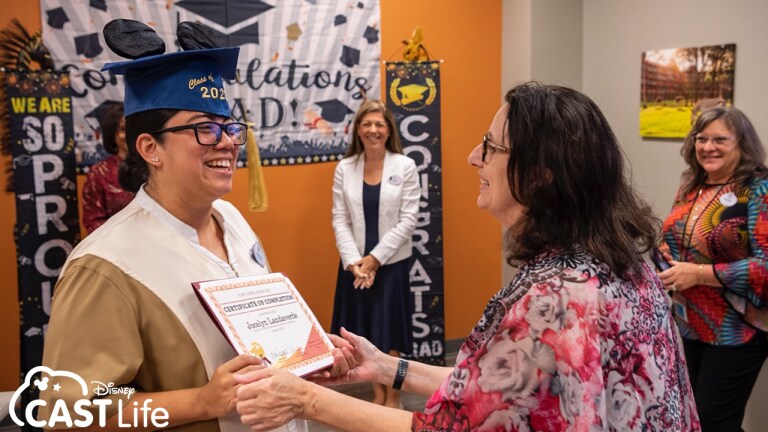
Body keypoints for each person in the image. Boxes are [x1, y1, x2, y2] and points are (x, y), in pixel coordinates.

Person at [233, 82, 700, 431]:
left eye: (491, 147)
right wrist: (387, 367)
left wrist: (303, 399)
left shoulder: (556, 299)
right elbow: (496, 385)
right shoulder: (617, 263)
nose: (474, 157)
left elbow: (452, 424)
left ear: (537, 176)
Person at [38, 20, 351, 432]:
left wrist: (305, 355)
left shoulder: (234, 223)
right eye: (205, 128)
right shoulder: (104, 266)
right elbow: (69, 410)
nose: (227, 142)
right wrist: (200, 401)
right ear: (151, 148)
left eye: (230, 127)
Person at [657, 105, 768, 431]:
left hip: (737, 331)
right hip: (689, 325)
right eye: (701, 138)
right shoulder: (692, 186)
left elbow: (765, 265)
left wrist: (699, 274)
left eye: (720, 139)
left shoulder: (758, 189)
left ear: (742, 143)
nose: (708, 147)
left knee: (714, 422)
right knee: (690, 418)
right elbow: (677, 242)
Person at [330, 99, 419, 408]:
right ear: (357, 129)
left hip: (391, 264)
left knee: (390, 331)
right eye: (366, 124)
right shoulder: (345, 168)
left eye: (379, 124)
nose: (373, 129)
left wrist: (375, 259)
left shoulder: (404, 166)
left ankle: (392, 397)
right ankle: (376, 394)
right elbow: (339, 218)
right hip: (354, 266)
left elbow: (409, 219)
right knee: (364, 331)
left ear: (388, 129)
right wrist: (356, 263)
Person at [81, 103, 136, 233]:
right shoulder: (98, 173)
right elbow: (93, 221)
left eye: (133, 128)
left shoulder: (153, 166)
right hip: (116, 248)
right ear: (112, 133)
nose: (129, 134)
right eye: (123, 129)